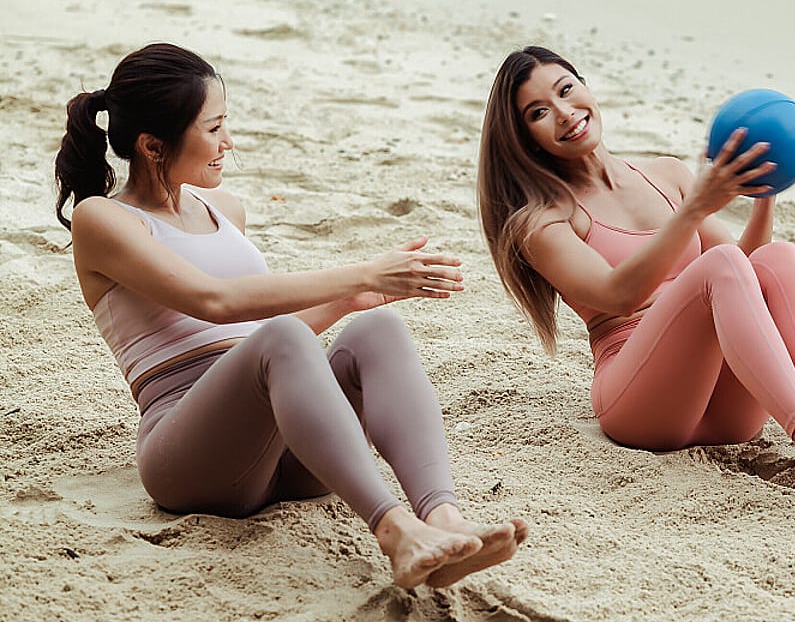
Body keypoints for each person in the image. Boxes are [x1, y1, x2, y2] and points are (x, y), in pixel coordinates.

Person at [54, 43, 527, 589]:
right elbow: (214, 302)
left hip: (282, 453)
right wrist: (364, 273)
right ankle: (396, 530)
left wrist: (350, 302)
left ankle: (443, 520)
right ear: (152, 145)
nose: (227, 142)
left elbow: (262, 350)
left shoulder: (224, 210)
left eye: (224, 123)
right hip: (189, 458)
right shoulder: (104, 219)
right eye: (213, 129)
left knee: (378, 328)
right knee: (282, 333)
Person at [477, 46, 795, 492]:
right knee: (719, 262)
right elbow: (616, 295)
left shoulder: (666, 174)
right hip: (642, 406)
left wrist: (766, 193)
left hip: (727, 409)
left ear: (586, 86)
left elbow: (744, 277)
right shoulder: (540, 221)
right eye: (539, 112)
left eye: (567, 90)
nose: (565, 113)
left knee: (776, 258)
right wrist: (692, 211)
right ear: (527, 137)